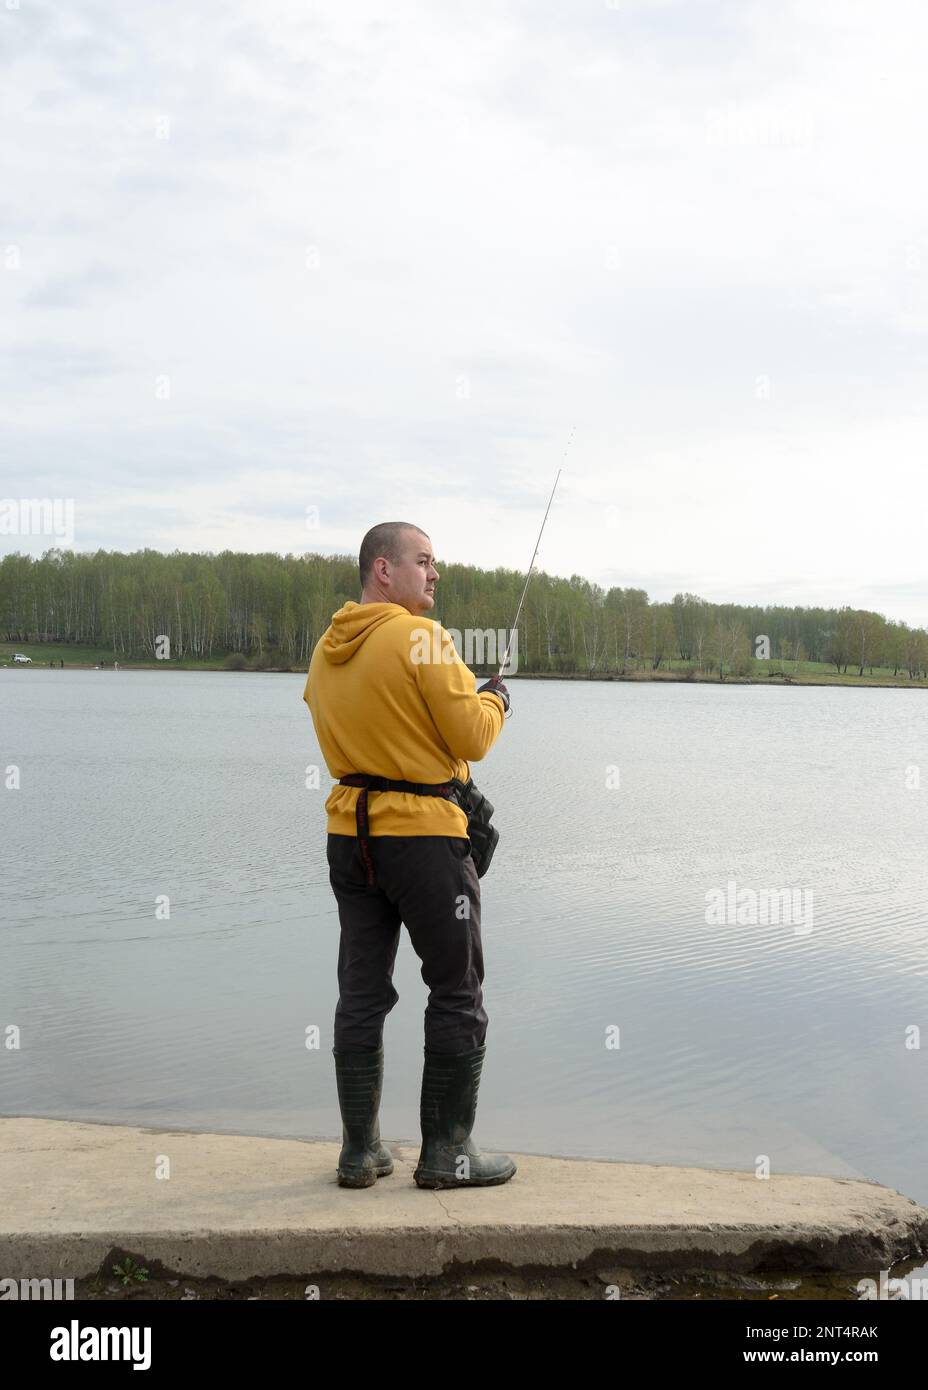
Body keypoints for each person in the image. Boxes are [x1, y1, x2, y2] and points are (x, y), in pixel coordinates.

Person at [303, 521, 515, 1191]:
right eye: (422, 561)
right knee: (456, 990)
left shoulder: (325, 651)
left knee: (361, 993)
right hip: (423, 839)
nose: (435, 573)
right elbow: (472, 737)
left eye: (435, 563)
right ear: (382, 571)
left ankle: (359, 1153)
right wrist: (496, 698)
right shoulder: (422, 637)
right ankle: (448, 1155)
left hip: (349, 837)